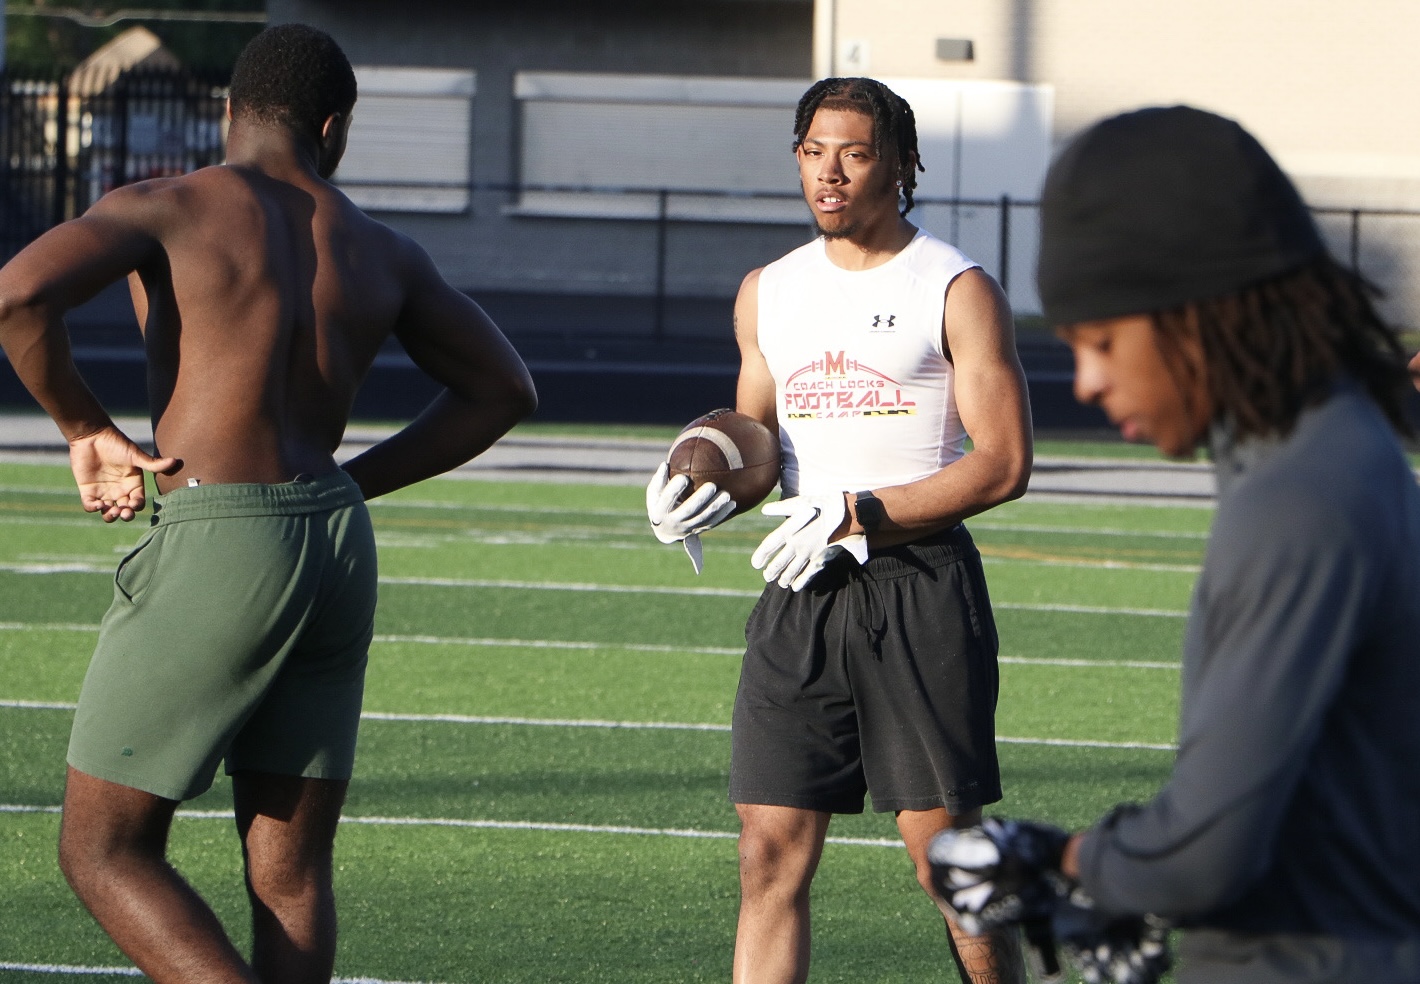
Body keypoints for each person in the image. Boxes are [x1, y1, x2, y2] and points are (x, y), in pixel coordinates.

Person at [0, 24, 536, 984]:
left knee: (103, 849)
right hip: (335, 540)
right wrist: (346, 485)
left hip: (219, 532)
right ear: (334, 127)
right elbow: (505, 391)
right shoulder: (381, 247)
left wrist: (86, 426)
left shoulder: (164, 206)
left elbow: (17, 296)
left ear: (229, 112)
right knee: (289, 872)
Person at [928, 106, 1420, 984]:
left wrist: (1072, 866)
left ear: (1196, 311)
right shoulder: (1331, 449)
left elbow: (1206, 852)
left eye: (1103, 340)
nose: (1086, 381)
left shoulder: (1300, 495)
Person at [647, 77, 1034, 983]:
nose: (831, 173)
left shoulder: (956, 285)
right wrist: (691, 488)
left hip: (918, 586)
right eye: (815, 151)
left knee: (949, 859)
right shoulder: (767, 291)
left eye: (855, 154)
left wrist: (861, 513)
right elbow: (754, 450)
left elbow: (1004, 463)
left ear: (901, 165)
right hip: (799, 588)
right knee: (766, 849)